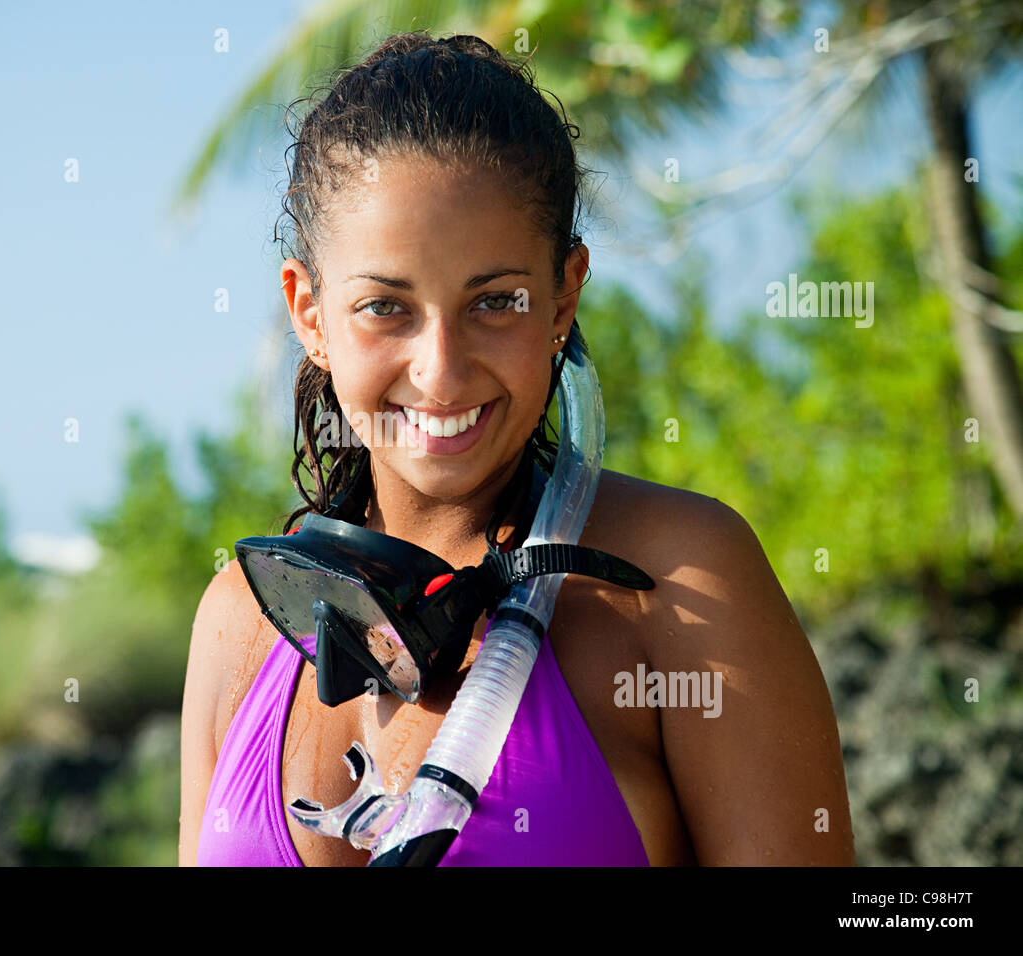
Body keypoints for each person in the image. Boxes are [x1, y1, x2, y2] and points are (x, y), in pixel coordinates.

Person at [179, 31, 855, 866]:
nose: (442, 368)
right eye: (386, 308)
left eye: (496, 300)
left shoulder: (681, 586)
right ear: (310, 314)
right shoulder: (236, 624)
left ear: (564, 295)